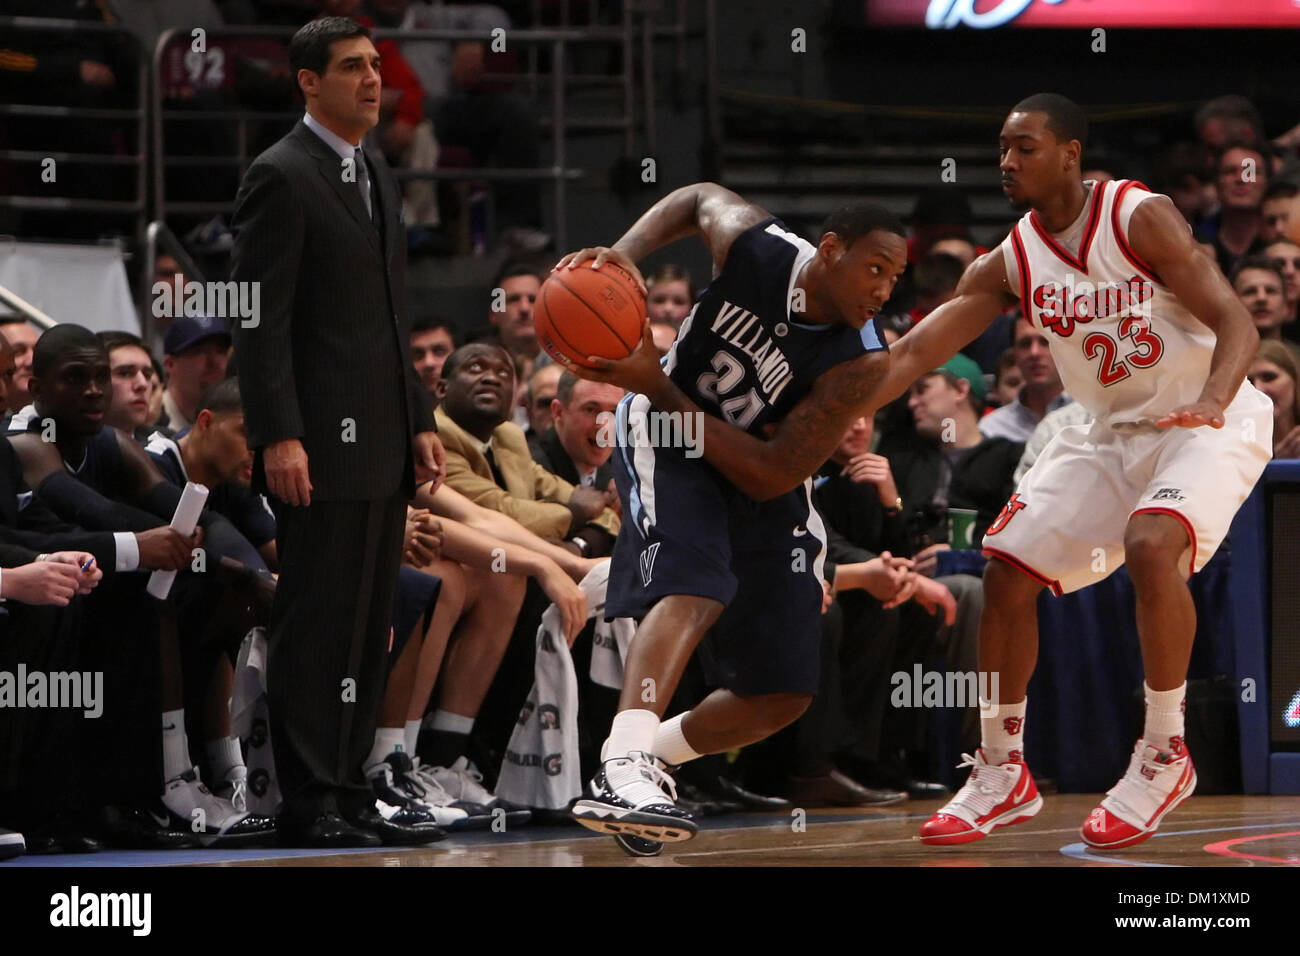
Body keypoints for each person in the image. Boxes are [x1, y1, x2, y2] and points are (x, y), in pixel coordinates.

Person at [871, 93, 1271, 849]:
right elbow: (913, 354)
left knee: (1154, 546)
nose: (1007, 163)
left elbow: (1236, 321)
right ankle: (1001, 768)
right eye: (1001, 149)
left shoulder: (1136, 216)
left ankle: (1163, 751)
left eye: (1024, 147)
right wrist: (830, 405)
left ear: (1070, 154)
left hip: (1205, 417)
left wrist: (1215, 398)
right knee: (1005, 570)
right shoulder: (1014, 257)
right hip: (1108, 430)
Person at [555, 182, 907, 855]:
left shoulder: (861, 358)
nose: (884, 290)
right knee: (698, 585)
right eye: (874, 269)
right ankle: (624, 759)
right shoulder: (759, 246)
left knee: (782, 693)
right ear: (829, 251)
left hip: (755, 467)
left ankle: (644, 759)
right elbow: (695, 197)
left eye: (895, 277)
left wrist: (656, 378)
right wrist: (623, 255)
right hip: (668, 437)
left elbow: (775, 471)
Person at [229, 16, 446, 849]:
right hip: (317, 444)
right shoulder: (279, 175)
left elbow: (391, 318)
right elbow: (259, 322)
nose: (371, 79)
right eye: (351, 67)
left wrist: (419, 418)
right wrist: (279, 435)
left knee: (366, 620)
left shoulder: (376, 168)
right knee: (318, 621)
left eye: (375, 66)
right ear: (308, 82)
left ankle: (350, 790)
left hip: (385, 436)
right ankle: (309, 797)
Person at [977, 314, 1071, 442]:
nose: (1034, 352)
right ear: (1014, 353)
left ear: (1065, 348)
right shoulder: (991, 429)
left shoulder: (1093, 415)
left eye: (1045, 341)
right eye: (1025, 344)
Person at [161, 315, 231, 433]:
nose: (214, 361)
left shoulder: (233, 420)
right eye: (200, 351)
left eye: (220, 351)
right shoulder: (151, 417)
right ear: (170, 364)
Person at [1247, 339, 1300, 458]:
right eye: (1249, 382)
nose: (1258, 389)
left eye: (1269, 377)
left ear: (1295, 380)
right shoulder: (1234, 445)